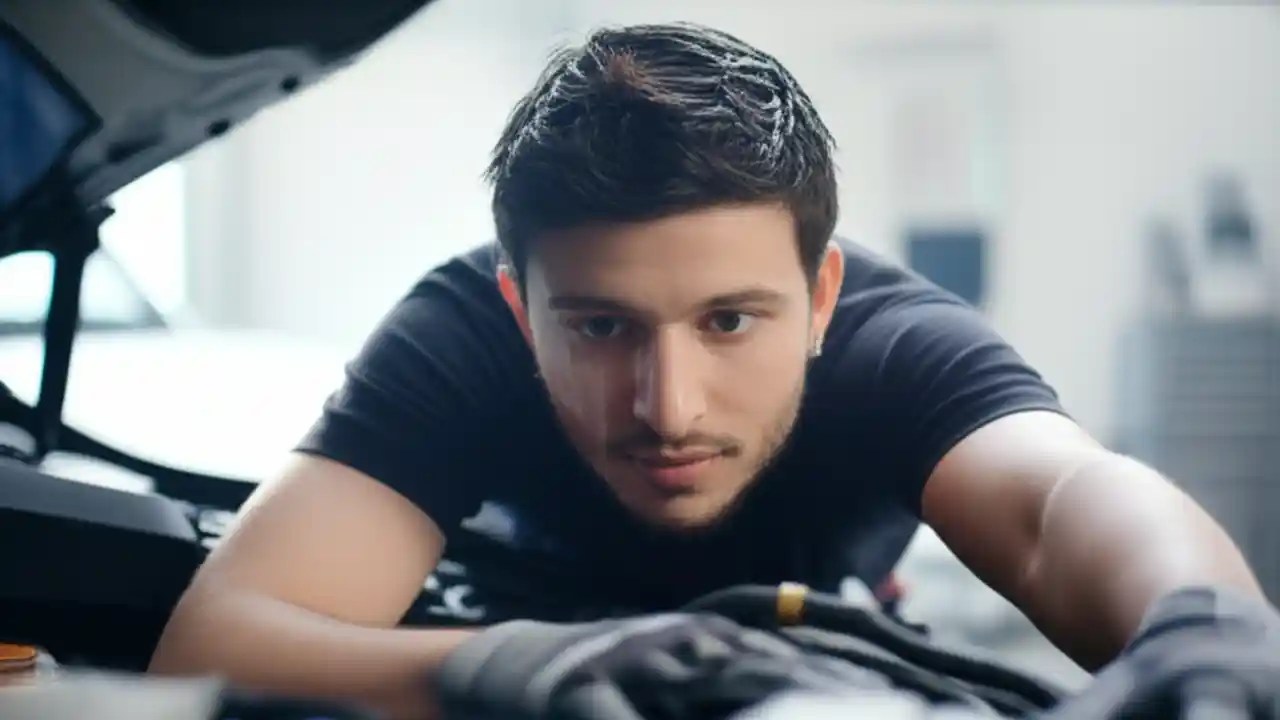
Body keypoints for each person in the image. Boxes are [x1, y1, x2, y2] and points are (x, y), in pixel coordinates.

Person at [148, 22, 1278, 720]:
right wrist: (524, 669)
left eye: (730, 321)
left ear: (821, 296)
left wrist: (1202, 623)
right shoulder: (456, 334)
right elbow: (217, 641)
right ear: (518, 304)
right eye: (598, 329)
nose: (667, 406)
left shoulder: (890, 339)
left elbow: (1061, 501)